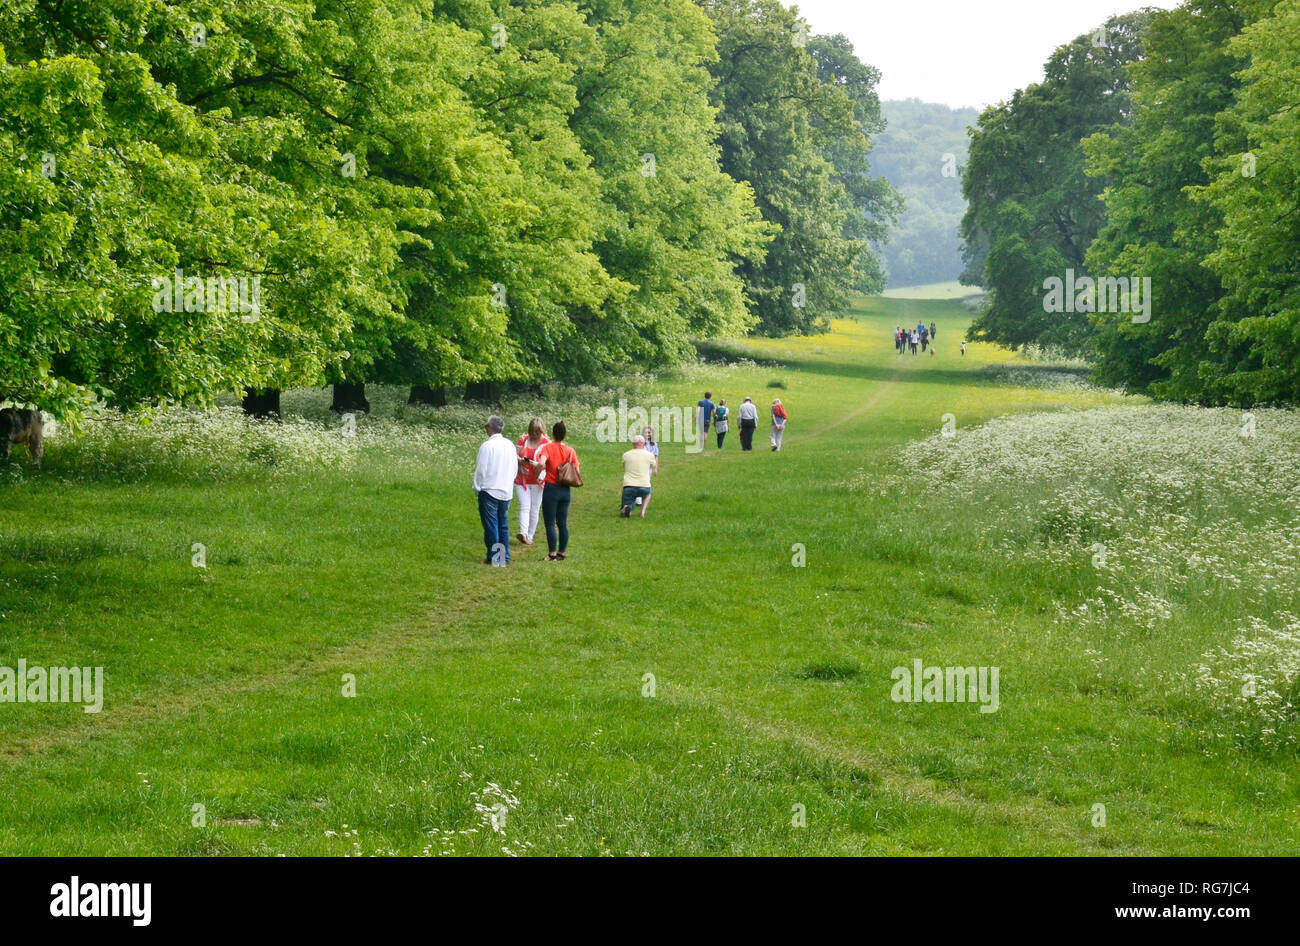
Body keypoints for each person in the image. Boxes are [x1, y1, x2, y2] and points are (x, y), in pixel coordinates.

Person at [531, 421, 580, 561]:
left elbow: (541, 464)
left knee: (550, 523)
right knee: (563, 523)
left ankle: (552, 553)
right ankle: (562, 553)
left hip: (551, 488)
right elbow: (577, 470)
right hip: (565, 489)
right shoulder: (571, 451)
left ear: (552, 434)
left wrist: (537, 476)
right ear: (565, 435)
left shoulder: (548, 448)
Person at [473, 415, 517, 566]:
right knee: (502, 524)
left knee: (491, 525)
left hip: (490, 489)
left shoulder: (487, 446)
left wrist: (477, 487)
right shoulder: (510, 445)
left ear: (489, 428)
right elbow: (514, 468)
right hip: (506, 489)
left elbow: (481, 470)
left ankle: (495, 557)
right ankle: (504, 556)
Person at [514, 417, 549, 546]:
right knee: (524, 505)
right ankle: (523, 533)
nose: (534, 434)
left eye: (537, 432)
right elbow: (515, 454)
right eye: (532, 431)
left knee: (534, 508)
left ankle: (530, 535)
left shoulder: (547, 443)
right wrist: (520, 460)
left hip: (538, 480)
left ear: (542, 431)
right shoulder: (523, 439)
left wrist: (537, 464)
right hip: (522, 478)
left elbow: (549, 464)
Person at [620, 434, 657, 518]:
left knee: (628, 502)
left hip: (629, 486)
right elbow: (653, 465)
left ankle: (627, 508)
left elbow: (624, 466)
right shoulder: (649, 455)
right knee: (648, 494)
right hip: (644, 486)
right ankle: (642, 512)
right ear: (644, 444)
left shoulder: (626, 455)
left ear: (633, 444)